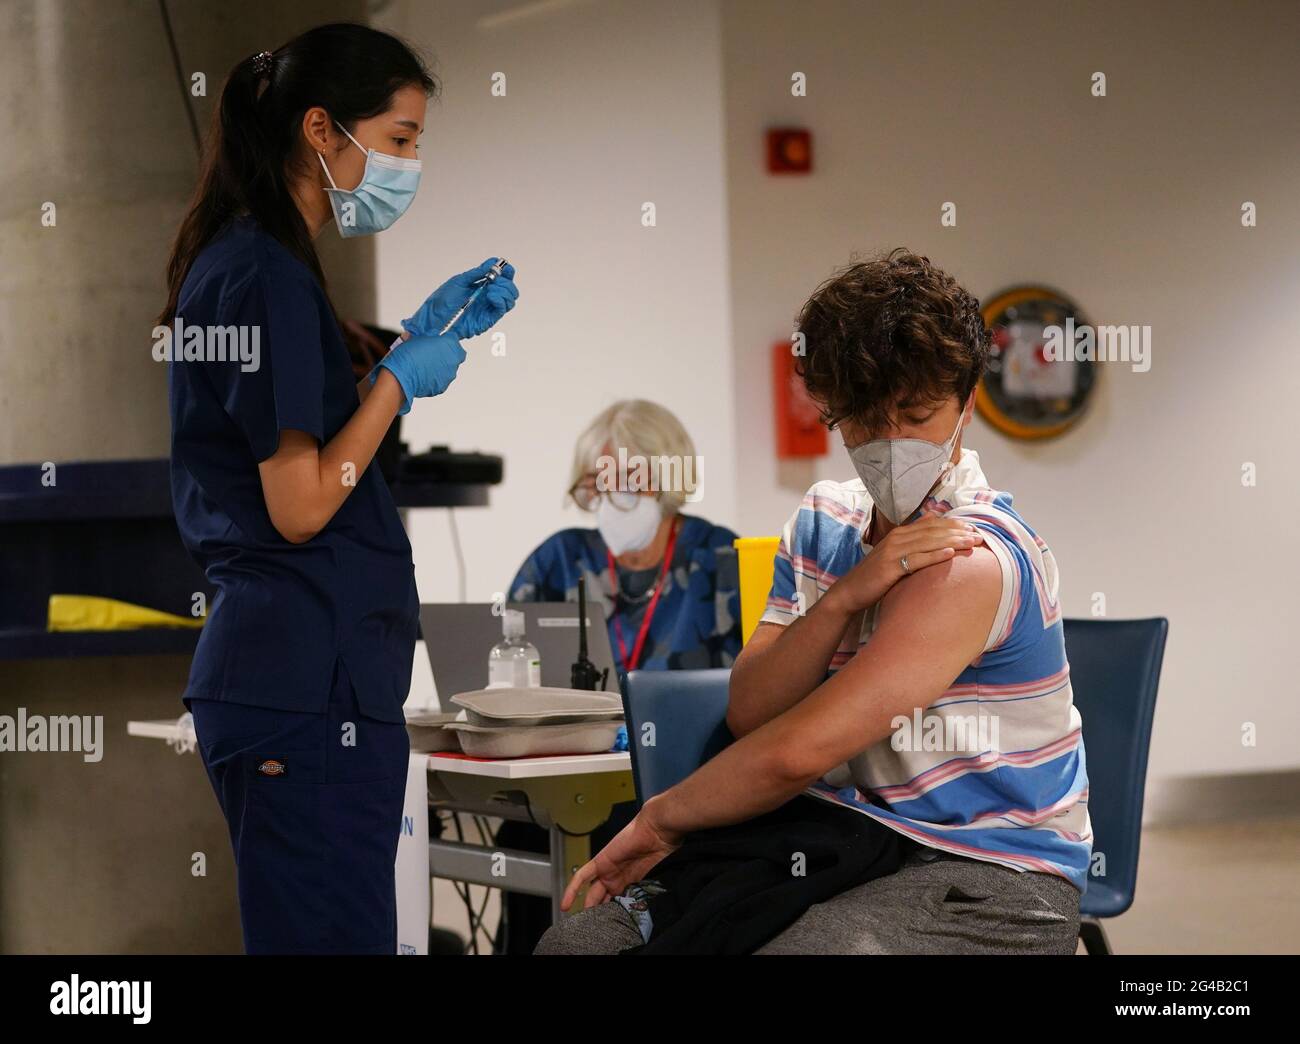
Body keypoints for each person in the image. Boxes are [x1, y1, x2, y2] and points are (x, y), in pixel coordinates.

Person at [537, 249, 1089, 955]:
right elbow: (752, 709)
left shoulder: (971, 556)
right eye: (862, 420)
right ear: (832, 410)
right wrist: (841, 599)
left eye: (918, 414)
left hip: (985, 871)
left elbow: (797, 751)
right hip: (832, 839)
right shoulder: (826, 518)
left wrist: (662, 820)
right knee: (578, 946)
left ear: (967, 404)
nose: (891, 443)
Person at [161, 23, 518, 954]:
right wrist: (397, 383)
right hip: (299, 688)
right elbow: (302, 501)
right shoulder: (263, 276)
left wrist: (397, 357)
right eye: (398, 139)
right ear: (322, 130)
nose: (409, 164)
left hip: (307, 685)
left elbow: (307, 456)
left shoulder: (256, 266)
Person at [496, 398, 742, 953]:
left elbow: (760, 681)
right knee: (520, 836)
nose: (614, 498)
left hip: (683, 785)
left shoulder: (718, 555)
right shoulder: (559, 559)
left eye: (630, 480)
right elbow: (504, 669)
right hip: (569, 778)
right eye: (598, 482)